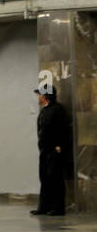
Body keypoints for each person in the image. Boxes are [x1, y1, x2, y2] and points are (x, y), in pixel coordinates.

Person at [33, 86, 72, 216]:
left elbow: (64, 129)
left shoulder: (57, 109)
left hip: (54, 151)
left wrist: (59, 146)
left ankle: (58, 208)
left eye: (40, 95)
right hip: (44, 150)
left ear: (45, 96)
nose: (38, 97)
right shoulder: (45, 110)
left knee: (55, 178)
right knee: (44, 178)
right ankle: (44, 206)